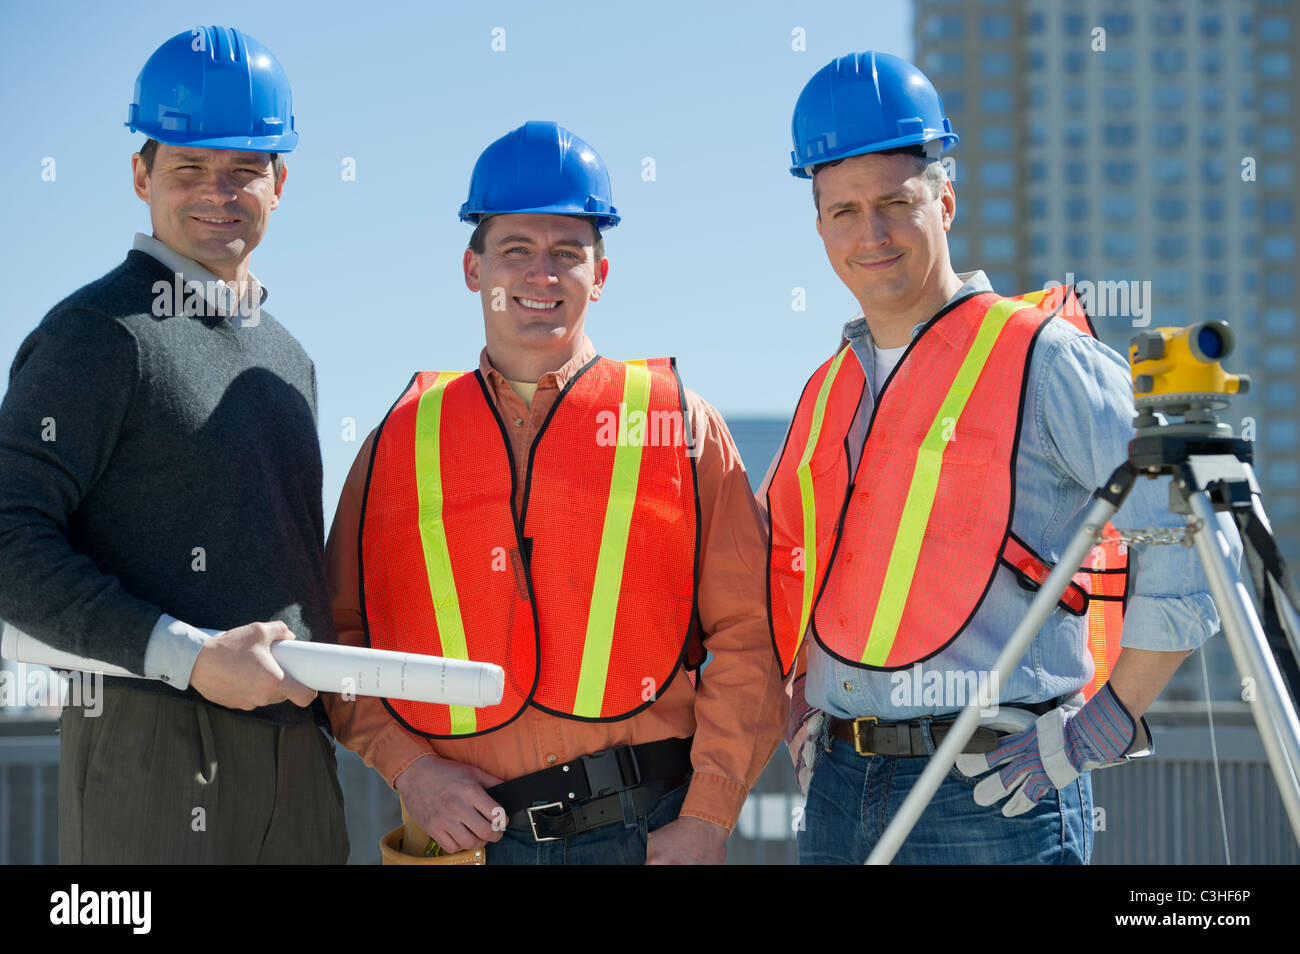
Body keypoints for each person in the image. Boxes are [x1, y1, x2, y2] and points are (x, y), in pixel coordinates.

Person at [764, 51, 1230, 864]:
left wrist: (1108, 722)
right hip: (838, 788)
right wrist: (805, 707)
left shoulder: (1044, 358)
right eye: (843, 210)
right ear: (819, 228)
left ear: (945, 200)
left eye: (894, 203)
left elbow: (1194, 533)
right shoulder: (826, 388)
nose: (869, 234)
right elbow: (797, 568)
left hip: (993, 795)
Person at [323, 121, 782, 865]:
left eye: (567, 254)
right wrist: (411, 769)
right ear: (473, 269)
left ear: (599, 275)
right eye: (516, 251)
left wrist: (710, 813)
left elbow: (749, 631)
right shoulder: (399, 442)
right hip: (463, 841)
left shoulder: (676, 422)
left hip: (646, 832)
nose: (542, 276)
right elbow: (339, 638)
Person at [0, 26, 348, 864]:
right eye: (188, 168)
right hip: (153, 744)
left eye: (243, 170)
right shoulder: (96, 333)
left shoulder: (286, 357)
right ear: (140, 175)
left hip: (298, 756)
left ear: (281, 182)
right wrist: (186, 659)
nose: (216, 193)